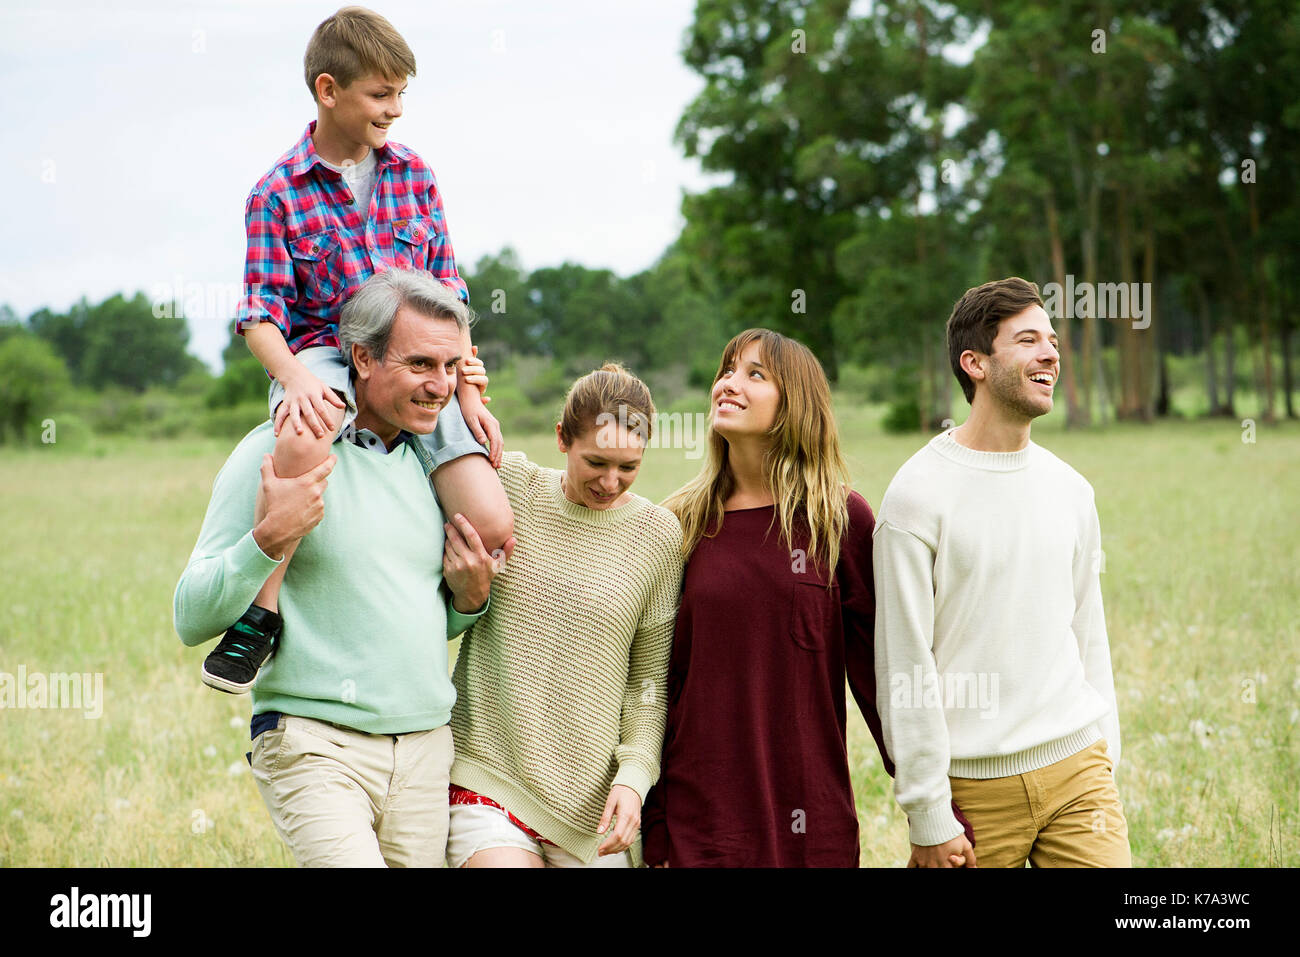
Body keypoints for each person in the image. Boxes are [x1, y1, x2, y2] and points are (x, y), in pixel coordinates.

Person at [201, 5, 512, 694]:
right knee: (307, 431)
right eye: (380, 93)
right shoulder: (276, 192)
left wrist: (465, 388)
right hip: (322, 352)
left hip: (420, 361)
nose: (395, 108)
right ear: (327, 90)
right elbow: (260, 314)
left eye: (401, 92)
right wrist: (291, 378)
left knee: (490, 520)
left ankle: (413, 613)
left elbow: (451, 294)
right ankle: (261, 613)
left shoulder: (414, 176)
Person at [174, 269, 508, 867]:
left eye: (450, 367)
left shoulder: (434, 473)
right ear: (361, 358)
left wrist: (468, 600)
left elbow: (407, 615)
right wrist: (269, 537)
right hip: (312, 743)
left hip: (425, 749)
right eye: (420, 365)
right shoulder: (278, 451)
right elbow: (190, 613)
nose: (440, 387)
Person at [873, 277, 1129, 868]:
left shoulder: (1071, 490)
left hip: (1078, 773)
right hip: (973, 793)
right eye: (1028, 341)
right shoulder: (916, 497)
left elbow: (1089, 634)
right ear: (976, 363)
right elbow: (904, 665)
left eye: (1054, 341)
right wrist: (928, 809)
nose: (1050, 354)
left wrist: (1105, 754)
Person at [640, 329, 890, 867]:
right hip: (699, 821)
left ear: (794, 404)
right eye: (727, 370)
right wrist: (654, 819)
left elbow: (880, 680)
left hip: (809, 819)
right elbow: (655, 681)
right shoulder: (679, 523)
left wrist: (934, 803)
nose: (729, 383)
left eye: (755, 374)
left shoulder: (840, 521)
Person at [445, 364, 684, 868]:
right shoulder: (510, 486)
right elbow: (430, 436)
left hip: (593, 804)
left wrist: (634, 778)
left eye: (629, 466)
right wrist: (465, 393)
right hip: (489, 775)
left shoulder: (658, 536)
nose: (611, 481)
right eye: (596, 461)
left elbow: (649, 683)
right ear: (562, 438)